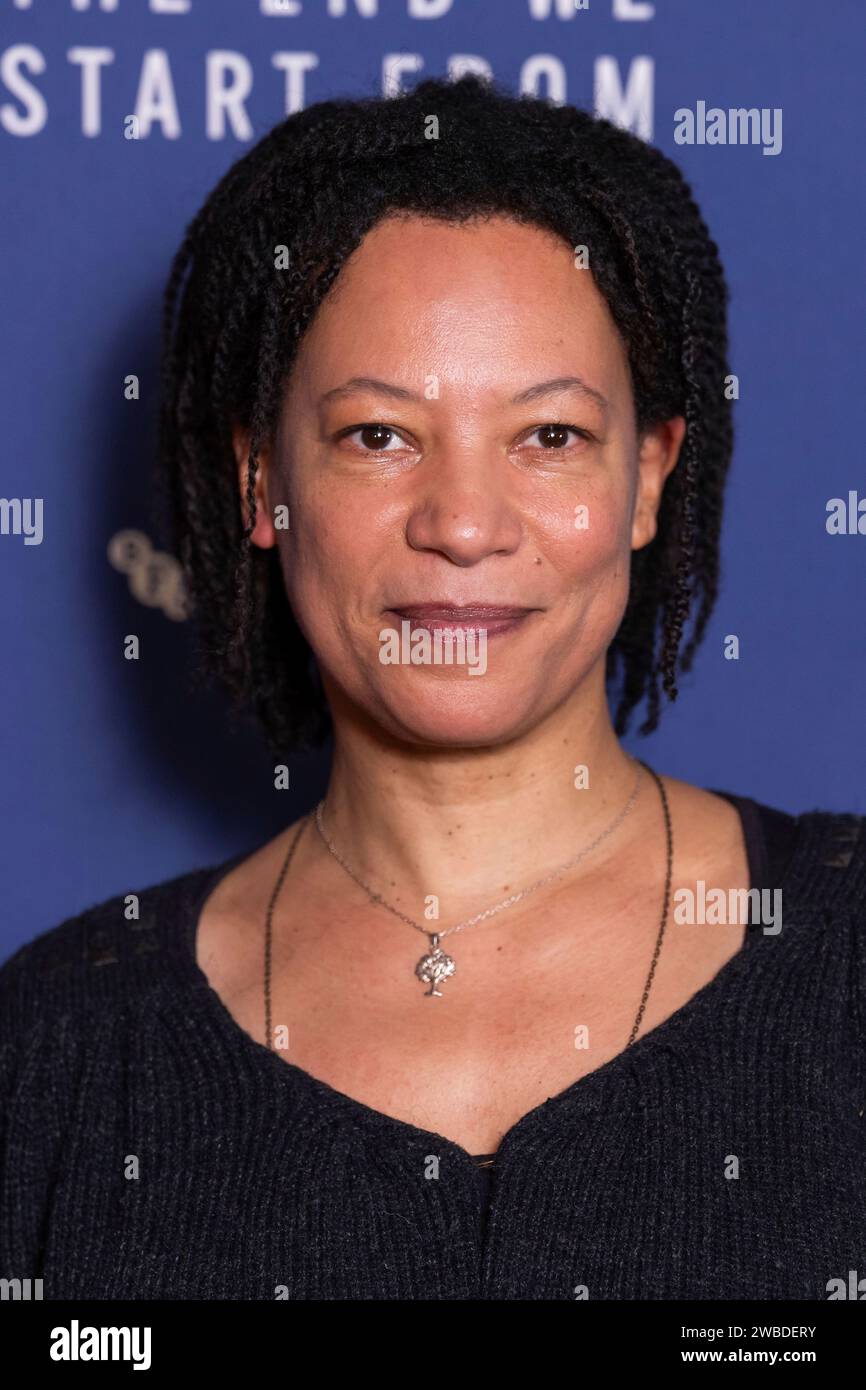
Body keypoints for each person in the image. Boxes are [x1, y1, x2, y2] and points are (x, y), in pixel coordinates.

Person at [1, 74, 863, 1302]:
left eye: (549, 436)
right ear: (260, 483)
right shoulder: (55, 1054)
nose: (462, 524)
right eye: (377, 435)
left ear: (646, 479)